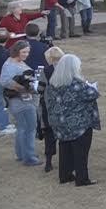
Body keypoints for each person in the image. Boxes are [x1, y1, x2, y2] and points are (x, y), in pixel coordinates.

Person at [44, 54, 100, 187]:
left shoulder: (52, 84)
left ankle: (65, 175)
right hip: (78, 124)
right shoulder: (77, 84)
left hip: (59, 124)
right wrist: (91, 86)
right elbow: (93, 94)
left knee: (65, 148)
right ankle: (82, 179)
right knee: (81, 151)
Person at [1, 41, 41, 165]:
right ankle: (29, 157)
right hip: (21, 101)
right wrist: (23, 88)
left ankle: (21, 153)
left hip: (22, 100)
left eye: (28, 52)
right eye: (23, 52)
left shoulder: (15, 62)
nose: (26, 54)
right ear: (16, 51)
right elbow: (5, 81)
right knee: (29, 128)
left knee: (22, 128)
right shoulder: (11, 65)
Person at [37, 45, 63, 175]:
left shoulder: (46, 71)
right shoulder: (67, 70)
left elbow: (40, 89)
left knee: (49, 135)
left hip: (49, 107)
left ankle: (48, 162)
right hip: (64, 107)